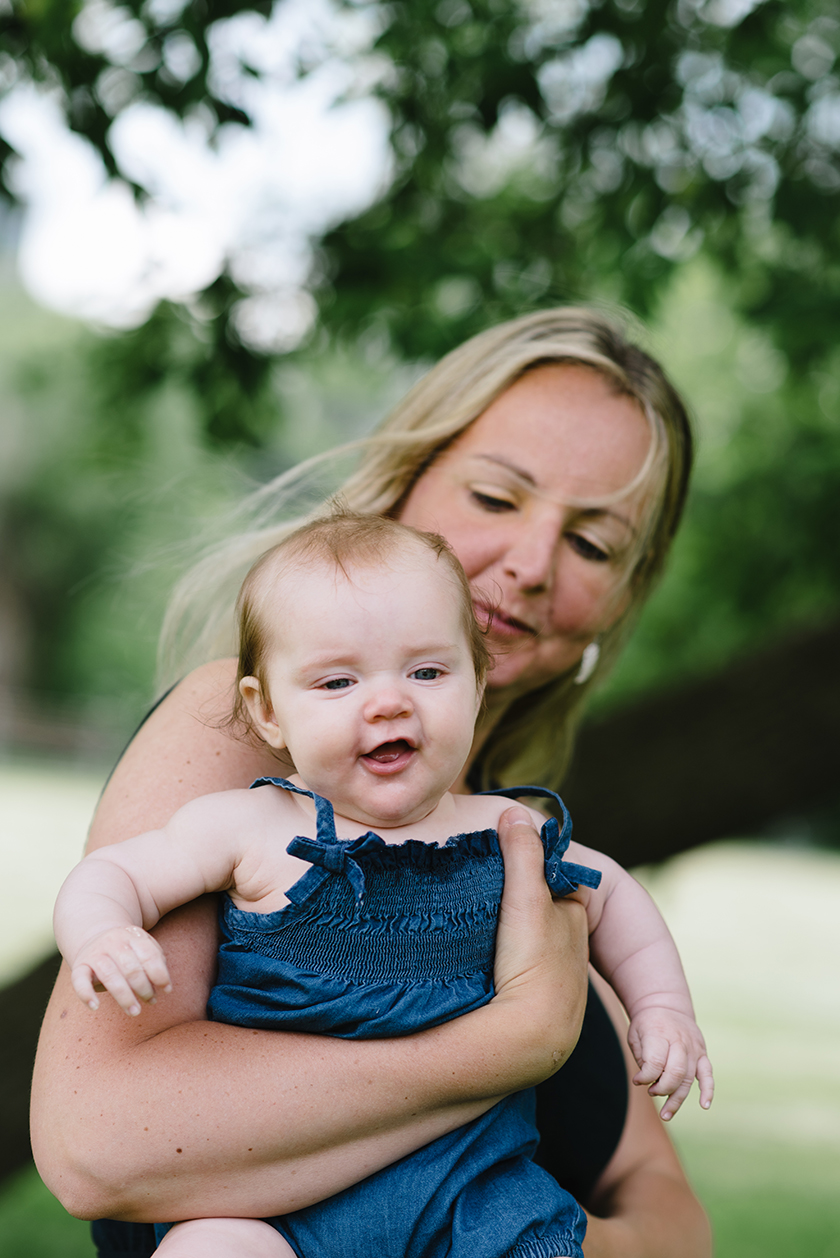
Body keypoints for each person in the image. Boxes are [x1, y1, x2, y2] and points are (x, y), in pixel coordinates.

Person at [31, 307, 712, 1258]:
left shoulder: (506, 833)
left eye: (594, 545)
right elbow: (99, 1147)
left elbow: (674, 1217)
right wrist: (515, 1040)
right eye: (495, 496)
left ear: (621, 601)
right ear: (405, 482)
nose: (529, 565)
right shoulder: (241, 751)